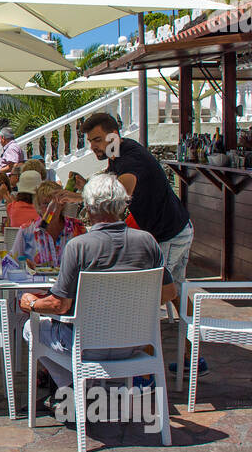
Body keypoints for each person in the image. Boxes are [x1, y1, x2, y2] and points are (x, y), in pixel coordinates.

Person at [20, 173, 177, 396]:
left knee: (30, 328)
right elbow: (169, 292)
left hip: (88, 344)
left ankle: (73, 387)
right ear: (123, 204)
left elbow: (60, 306)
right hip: (135, 341)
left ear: (89, 206)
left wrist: (32, 305)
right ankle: (83, 387)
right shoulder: (147, 242)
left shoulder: (79, 246)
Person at [53, 112, 193, 317]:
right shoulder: (117, 154)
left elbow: (118, 194)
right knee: (175, 289)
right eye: (91, 141)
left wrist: (81, 196)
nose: (93, 146)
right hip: (175, 227)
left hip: (168, 232)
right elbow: (110, 183)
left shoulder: (130, 159)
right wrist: (86, 187)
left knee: (152, 292)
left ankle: (142, 342)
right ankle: (192, 342)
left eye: (98, 140)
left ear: (114, 136)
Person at [10, 180, 86, 268]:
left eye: (55, 203)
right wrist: (25, 264)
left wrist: (80, 197)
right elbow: (13, 262)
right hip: (37, 280)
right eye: (46, 204)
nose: (51, 208)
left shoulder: (76, 227)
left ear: (63, 204)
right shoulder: (27, 230)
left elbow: (89, 261)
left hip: (70, 281)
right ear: (38, 205)